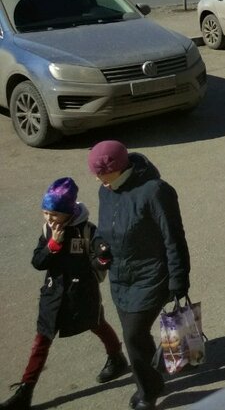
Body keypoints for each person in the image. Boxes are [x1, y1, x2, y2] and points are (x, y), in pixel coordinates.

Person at [0, 178, 129, 410]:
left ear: (68, 212)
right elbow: (38, 262)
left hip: (82, 293)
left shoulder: (87, 230)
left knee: (97, 323)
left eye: (54, 214)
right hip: (53, 295)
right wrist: (52, 246)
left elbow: (100, 255)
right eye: (45, 213)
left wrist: (103, 256)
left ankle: (117, 357)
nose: (49, 218)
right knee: (41, 340)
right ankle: (26, 390)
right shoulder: (48, 231)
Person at [89, 141, 190, 410]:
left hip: (151, 276)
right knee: (137, 336)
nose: (98, 179)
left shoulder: (156, 191)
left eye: (101, 173)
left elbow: (174, 238)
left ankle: (148, 391)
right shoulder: (105, 191)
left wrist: (179, 279)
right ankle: (153, 375)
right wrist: (99, 246)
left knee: (133, 336)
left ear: (118, 169)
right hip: (121, 277)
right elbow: (103, 229)